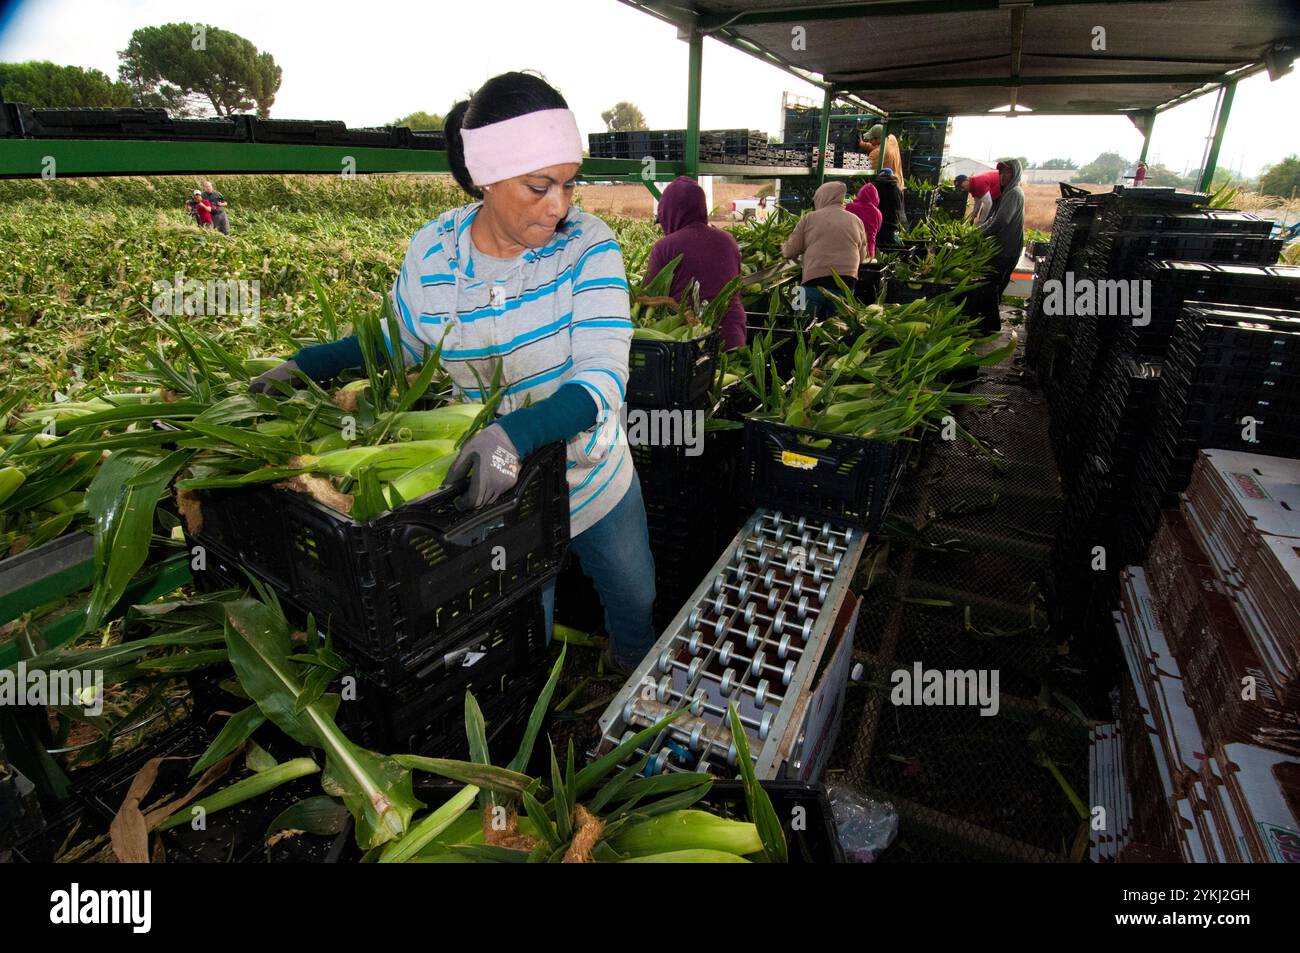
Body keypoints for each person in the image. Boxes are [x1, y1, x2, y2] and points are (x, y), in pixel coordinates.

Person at [249, 72, 655, 674]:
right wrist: (304, 367)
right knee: (523, 619)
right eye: (539, 185)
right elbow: (404, 342)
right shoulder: (435, 252)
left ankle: (631, 674)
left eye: (570, 184)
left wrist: (516, 435)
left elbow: (602, 377)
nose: (560, 205)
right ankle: (534, 732)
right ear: (483, 176)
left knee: (634, 594)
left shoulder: (589, 248)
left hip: (590, 471)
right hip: (498, 492)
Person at [645, 176, 747, 350]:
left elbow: (649, 298)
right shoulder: (728, 240)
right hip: (732, 335)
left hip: (691, 345)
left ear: (669, 213)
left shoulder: (665, 247)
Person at [780, 180, 869, 320]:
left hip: (812, 282)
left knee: (802, 323)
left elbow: (791, 250)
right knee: (838, 328)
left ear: (821, 197)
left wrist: (783, 248)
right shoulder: (856, 220)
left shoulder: (810, 218)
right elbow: (862, 254)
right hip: (846, 284)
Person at [975, 159, 1025, 335]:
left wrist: (980, 234)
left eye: (1006, 173)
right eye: (1001, 173)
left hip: (1007, 249)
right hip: (1003, 248)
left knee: (991, 286)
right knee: (992, 285)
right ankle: (989, 322)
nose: (1002, 176)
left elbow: (1002, 221)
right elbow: (993, 219)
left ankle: (991, 325)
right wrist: (976, 231)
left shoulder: (1014, 193)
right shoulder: (1009, 192)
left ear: (1015, 174)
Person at [845, 182, 882, 259]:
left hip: (850, 251)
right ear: (875, 197)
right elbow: (877, 230)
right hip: (869, 251)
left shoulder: (848, 207)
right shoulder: (877, 213)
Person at [874, 168, 906, 248]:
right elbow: (900, 209)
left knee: (877, 253)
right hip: (892, 227)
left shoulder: (875, 188)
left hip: (878, 227)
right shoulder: (898, 190)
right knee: (892, 253)